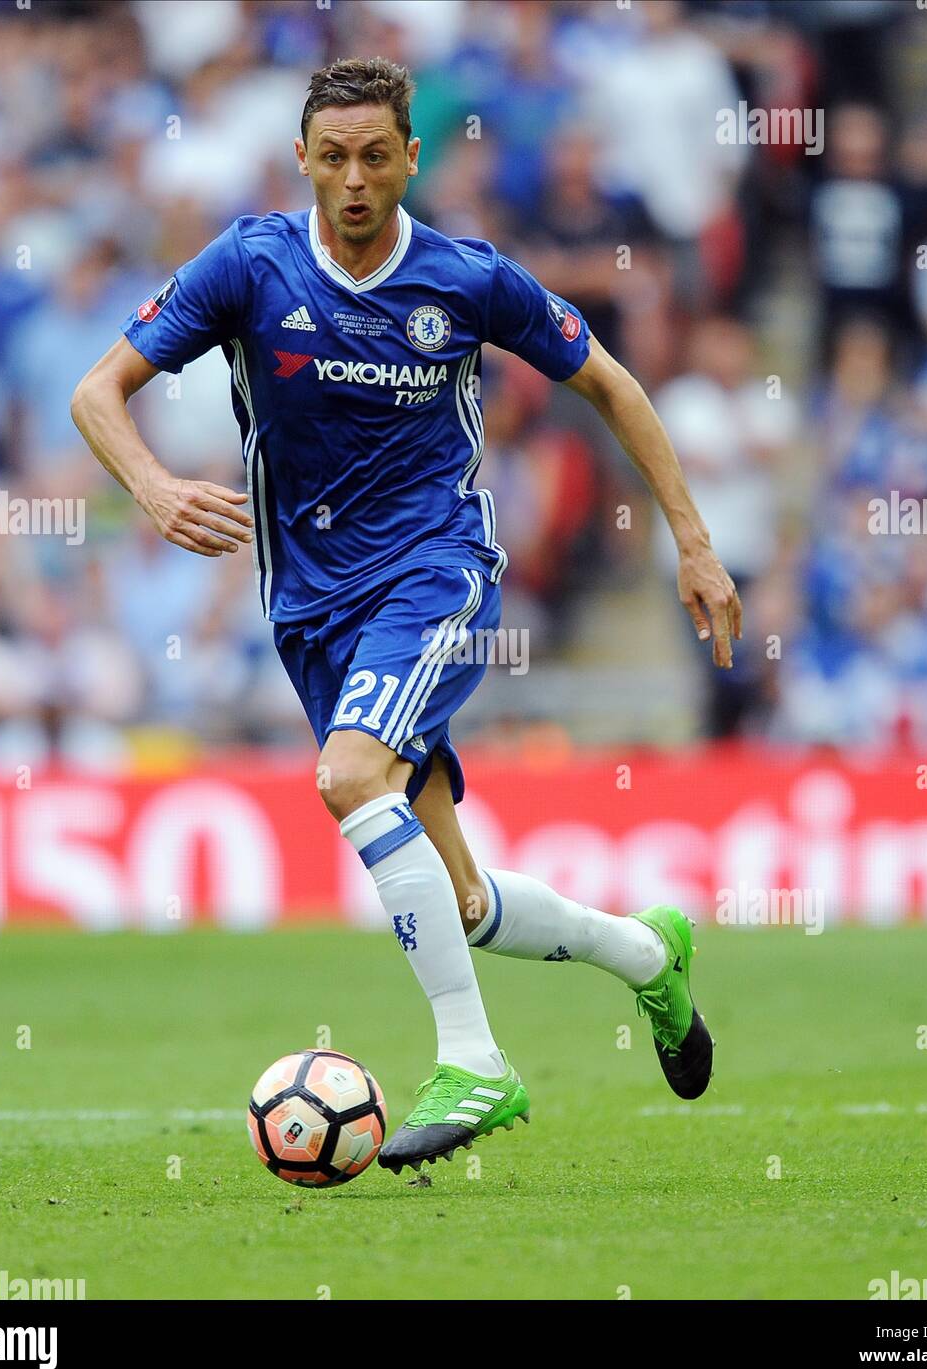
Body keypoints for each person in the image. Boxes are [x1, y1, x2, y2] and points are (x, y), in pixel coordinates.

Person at [70, 58, 741, 1175]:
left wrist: (695, 540)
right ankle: (645, 957)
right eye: (331, 157)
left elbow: (612, 382)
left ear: (409, 158)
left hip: (436, 571)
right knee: (462, 898)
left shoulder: (466, 279)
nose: (353, 179)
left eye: (375, 155)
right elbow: (98, 391)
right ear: (302, 159)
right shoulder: (249, 264)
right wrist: (150, 485)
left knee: (347, 779)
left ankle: (473, 1057)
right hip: (310, 608)